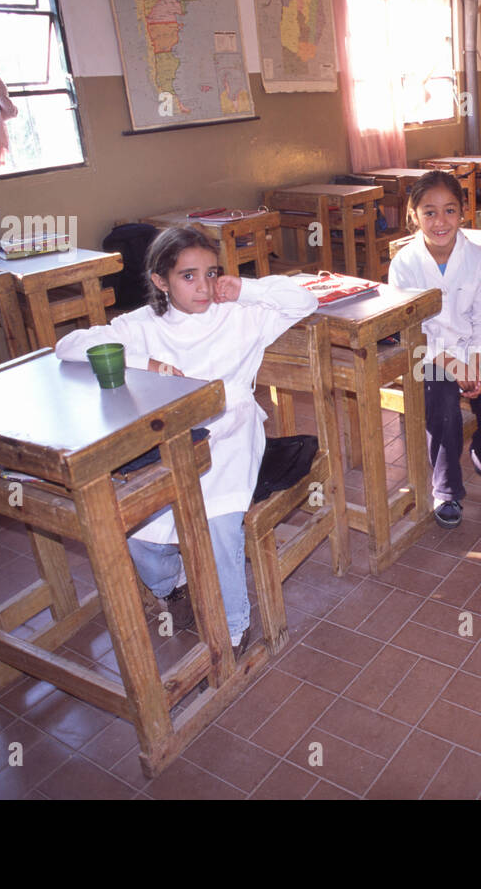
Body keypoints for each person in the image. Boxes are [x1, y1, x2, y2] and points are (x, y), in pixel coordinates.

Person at [54, 227, 317, 653]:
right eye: (188, 276)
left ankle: (232, 625)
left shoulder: (240, 314)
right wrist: (146, 362)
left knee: (216, 521)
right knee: (137, 521)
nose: (204, 286)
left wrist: (244, 287)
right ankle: (171, 584)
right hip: (171, 433)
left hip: (230, 427)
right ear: (160, 280)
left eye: (211, 273)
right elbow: (68, 345)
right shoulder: (141, 326)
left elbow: (305, 300)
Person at [387, 170, 481, 529]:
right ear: (414, 215)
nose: (440, 221)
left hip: (476, 351)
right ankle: (446, 490)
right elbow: (410, 331)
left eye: (449, 210)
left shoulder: (476, 259)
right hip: (426, 354)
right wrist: (452, 366)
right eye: (429, 212)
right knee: (443, 408)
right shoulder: (404, 265)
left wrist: (472, 362)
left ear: (463, 212)